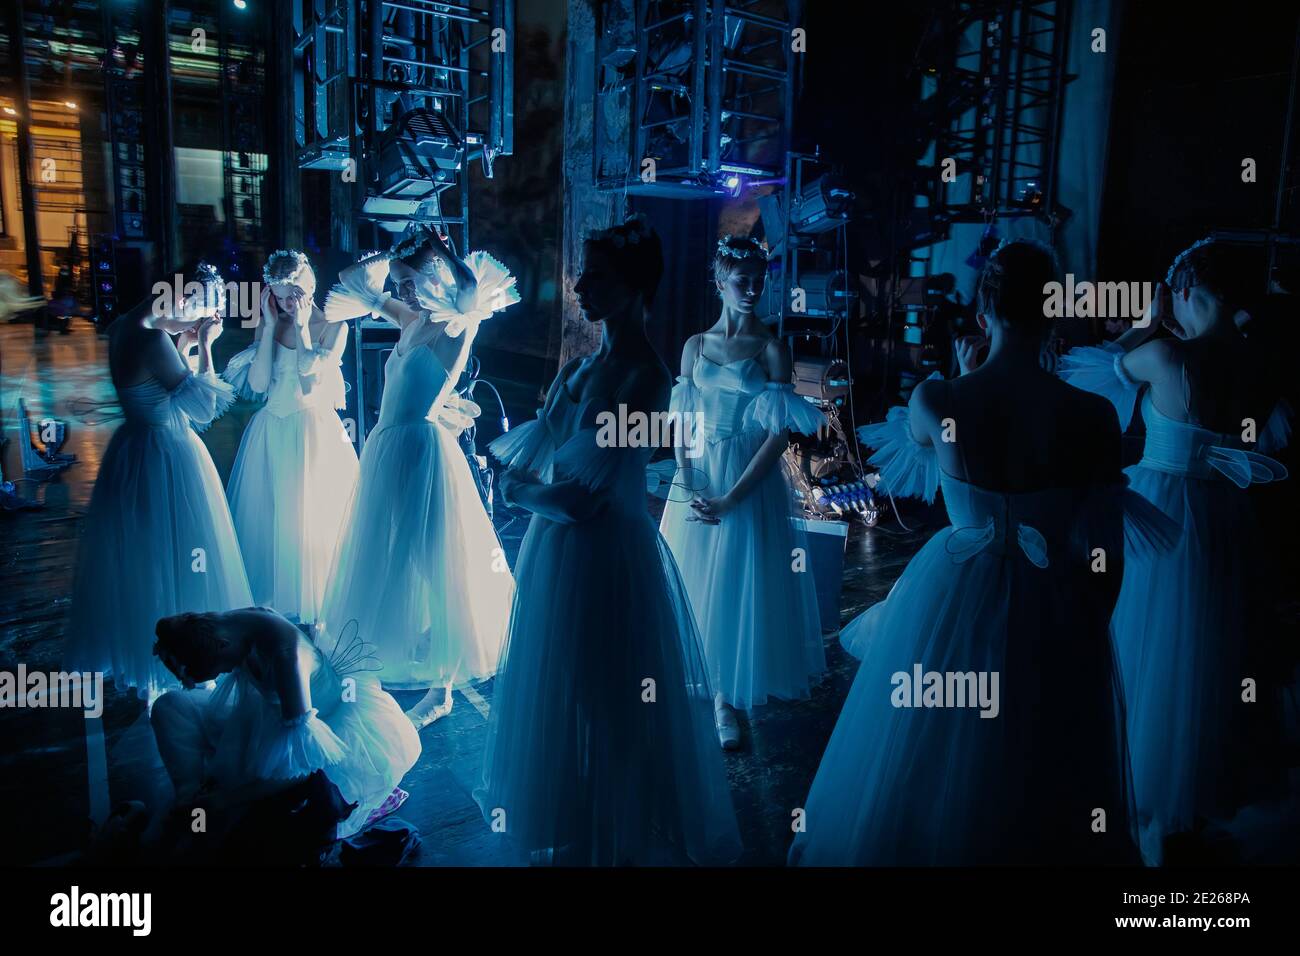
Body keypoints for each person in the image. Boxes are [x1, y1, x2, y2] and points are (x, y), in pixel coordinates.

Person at [790, 240, 1157, 865]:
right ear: (1053, 312)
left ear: (983, 315)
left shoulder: (940, 400)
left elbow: (930, 444)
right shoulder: (1094, 416)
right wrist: (1090, 625)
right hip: (1055, 597)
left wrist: (963, 376)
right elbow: (1106, 553)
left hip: (956, 589)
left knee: (932, 750)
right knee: (1042, 759)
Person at [474, 215, 743, 866]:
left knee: (612, 705)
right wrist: (526, 484)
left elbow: (587, 498)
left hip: (606, 557)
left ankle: (621, 843)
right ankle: (584, 830)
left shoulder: (646, 378)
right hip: (555, 548)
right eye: (582, 273)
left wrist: (514, 494)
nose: (580, 284)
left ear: (633, 286)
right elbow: (545, 453)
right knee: (564, 693)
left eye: (596, 275)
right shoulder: (582, 366)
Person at [1059, 237, 1290, 863]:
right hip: (1227, 516)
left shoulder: (1164, 355)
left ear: (1185, 291)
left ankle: (1141, 799)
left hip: (1163, 508)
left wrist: (1141, 322)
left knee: (1147, 644)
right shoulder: (1263, 363)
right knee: (1211, 645)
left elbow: (1098, 373)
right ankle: (1191, 795)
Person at [321, 227, 518, 727]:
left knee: (432, 562)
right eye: (401, 281)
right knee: (386, 555)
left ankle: (443, 686)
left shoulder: (455, 325)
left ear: (434, 274)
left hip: (421, 450)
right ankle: (376, 664)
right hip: (386, 449)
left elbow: (470, 288)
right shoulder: (408, 318)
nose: (403, 289)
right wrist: (396, 253)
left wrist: (437, 249)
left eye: (412, 280)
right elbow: (349, 280)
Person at [659, 235, 826, 749]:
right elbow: (684, 422)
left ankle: (726, 699)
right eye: (742, 280)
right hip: (700, 471)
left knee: (735, 581)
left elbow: (779, 436)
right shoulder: (694, 346)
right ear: (720, 281)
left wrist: (732, 497)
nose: (753, 288)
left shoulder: (773, 347)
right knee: (693, 580)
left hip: (746, 479)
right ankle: (691, 684)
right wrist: (688, 481)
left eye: (760, 279)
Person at [65, 263, 252, 700]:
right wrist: (205, 348)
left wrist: (181, 346)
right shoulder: (152, 338)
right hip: (166, 454)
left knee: (146, 559)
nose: (193, 321)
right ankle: (186, 654)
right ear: (182, 298)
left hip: (133, 449)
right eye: (195, 310)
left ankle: (156, 653)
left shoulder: (126, 325)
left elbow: (159, 389)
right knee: (179, 552)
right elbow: (203, 409)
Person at [149, 606, 420, 839]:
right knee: (169, 706)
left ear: (223, 645)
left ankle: (207, 805)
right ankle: (189, 793)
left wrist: (226, 799)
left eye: (222, 668)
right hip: (267, 714)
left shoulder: (287, 657)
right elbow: (180, 633)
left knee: (244, 812)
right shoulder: (227, 624)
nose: (226, 672)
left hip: (321, 735)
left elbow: (302, 764)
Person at [221, 250, 358, 624]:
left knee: (307, 520)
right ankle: (271, 612)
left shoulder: (335, 325)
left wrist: (299, 328)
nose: (286, 303)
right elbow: (259, 383)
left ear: (309, 288)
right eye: (279, 297)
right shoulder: (269, 321)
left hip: (312, 431)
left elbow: (311, 385)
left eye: (293, 294)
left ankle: (315, 613)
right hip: (270, 428)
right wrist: (267, 327)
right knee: (269, 518)